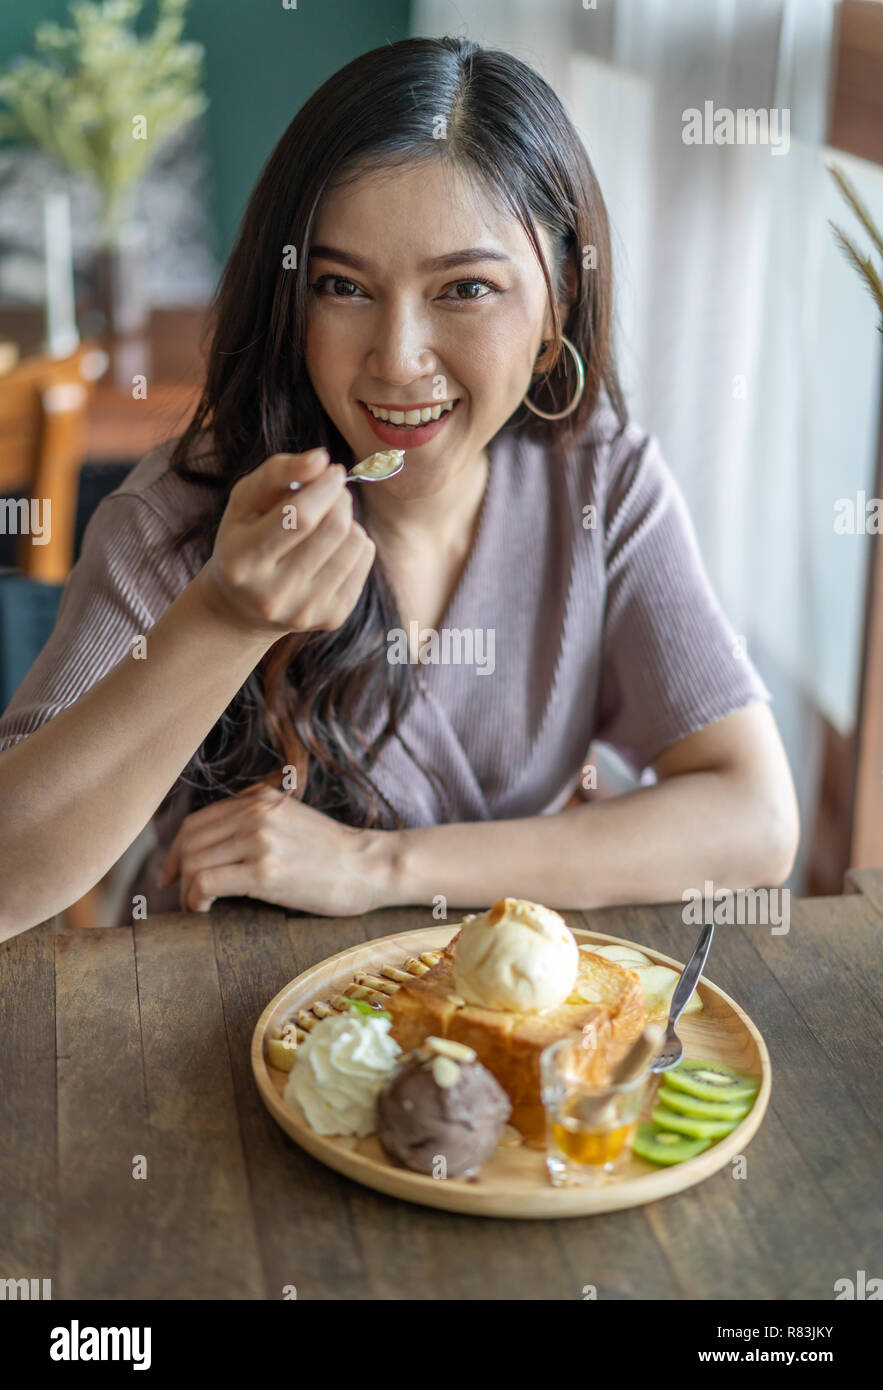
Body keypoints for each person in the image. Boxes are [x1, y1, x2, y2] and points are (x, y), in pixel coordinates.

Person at [0, 36, 798, 937]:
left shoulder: (601, 489)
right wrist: (224, 617)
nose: (396, 358)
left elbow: (755, 820)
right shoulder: (178, 519)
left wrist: (377, 867)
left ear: (556, 310)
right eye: (342, 286)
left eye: (464, 289)